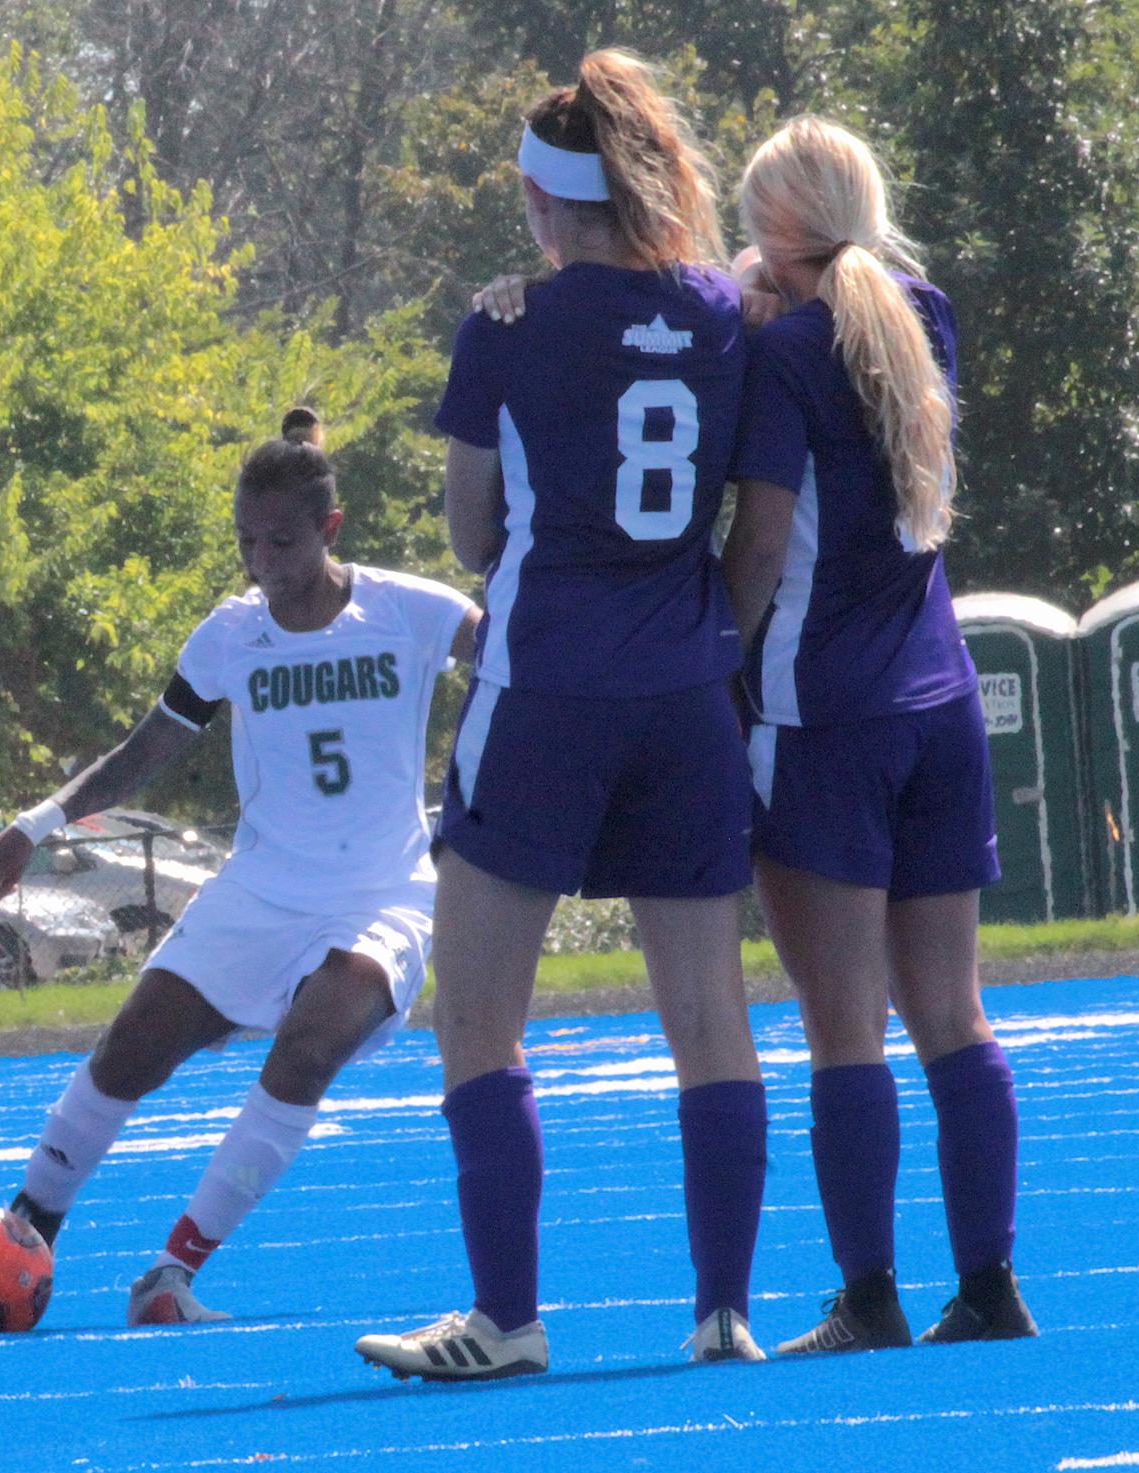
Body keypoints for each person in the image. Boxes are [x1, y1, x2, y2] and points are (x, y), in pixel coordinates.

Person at [354, 50, 767, 1382]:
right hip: (687, 691)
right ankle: (721, 1311)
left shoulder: (509, 328)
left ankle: (509, 1316)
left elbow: (476, 534)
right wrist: (712, 646)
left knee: (477, 1015)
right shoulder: (723, 311)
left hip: (543, 690)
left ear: (544, 203)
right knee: (709, 1013)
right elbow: (755, 525)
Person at [0, 409, 479, 1326]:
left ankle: (172, 1272)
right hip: (260, 889)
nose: (261, 560)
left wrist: (489, 771)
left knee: (307, 1049)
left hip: (381, 896)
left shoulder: (409, 609)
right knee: (130, 1047)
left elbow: (517, 653)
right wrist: (34, 824)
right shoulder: (231, 634)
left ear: (331, 529)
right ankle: (23, 1235)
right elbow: (141, 751)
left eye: (282, 540)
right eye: (245, 540)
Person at [720, 116, 1037, 1352]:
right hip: (938, 696)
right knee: (953, 1016)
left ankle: (867, 1295)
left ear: (769, 229)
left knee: (841, 1028)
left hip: (821, 712)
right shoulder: (921, 310)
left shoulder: (784, 354)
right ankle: (990, 1283)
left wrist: (709, 667)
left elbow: (757, 548)